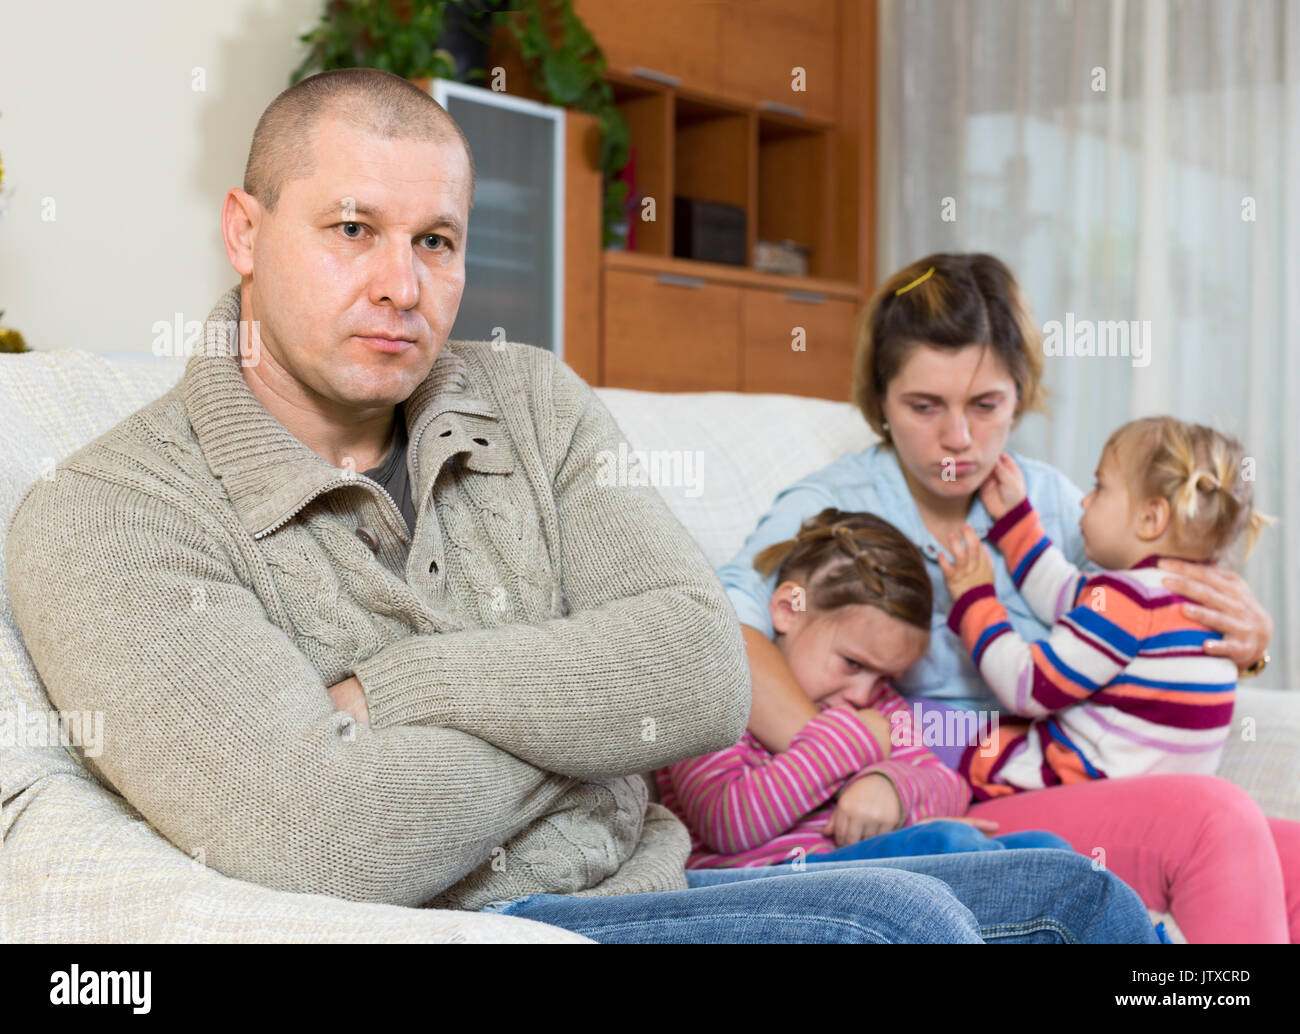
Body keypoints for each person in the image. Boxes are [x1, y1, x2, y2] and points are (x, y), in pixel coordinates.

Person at [3, 71, 1161, 944]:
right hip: (495, 924)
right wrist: (594, 710)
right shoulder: (106, 515)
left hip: (657, 878)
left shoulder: (531, 400)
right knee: (900, 928)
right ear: (246, 232)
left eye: (437, 241)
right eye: (352, 228)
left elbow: (701, 674)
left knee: (1077, 892)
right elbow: (322, 830)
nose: (402, 285)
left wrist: (404, 692)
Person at [719, 252, 1294, 943]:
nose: (958, 439)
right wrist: (861, 761)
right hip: (959, 791)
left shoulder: (1053, 502)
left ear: (1021, 393)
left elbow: (1141, 615)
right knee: (1215, 821)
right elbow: (722, 632)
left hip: (1072, 776)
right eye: (924, 406)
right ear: (880, 400)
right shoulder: (831, 504)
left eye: (986, 405)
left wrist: (1243, 644)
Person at [656, 508, 1074, 867]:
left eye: (885, 677)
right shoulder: (712, 691)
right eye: (852, 663)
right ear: (788, 610)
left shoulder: (879, 704)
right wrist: (858, 741)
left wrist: (889, 784)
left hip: (859, 866)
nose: (861, 694)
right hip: (758, 882)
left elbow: (950, 787)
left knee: (1048, 853)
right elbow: (730, 822)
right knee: (949, 845)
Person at [940, 421, 1276, 797]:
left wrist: (976, 601)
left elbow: (1028, 687)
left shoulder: (1129, 602)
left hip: (1073, 792)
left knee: (958, 742)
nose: (1084, 501)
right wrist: (1017, 521)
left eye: (1099, 487)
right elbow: (1064, 593)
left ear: (1151, 519)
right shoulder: (1199, 598)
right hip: (1165, 804)